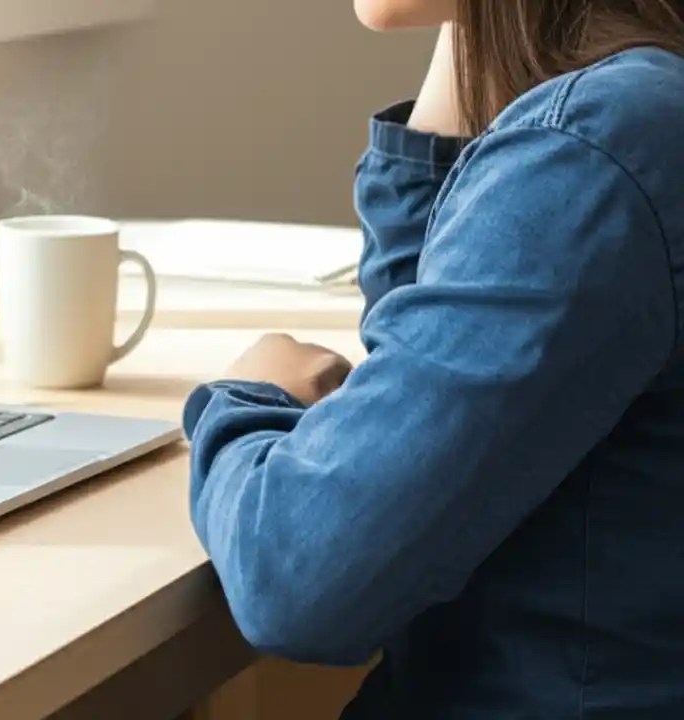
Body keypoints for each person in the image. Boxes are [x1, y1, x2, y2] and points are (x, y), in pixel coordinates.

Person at [184, 1, 684, 717]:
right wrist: (472, 32)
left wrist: (245, 400)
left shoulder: (597, 151)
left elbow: (297, 578)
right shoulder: (639, 106)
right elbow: (421, 324)